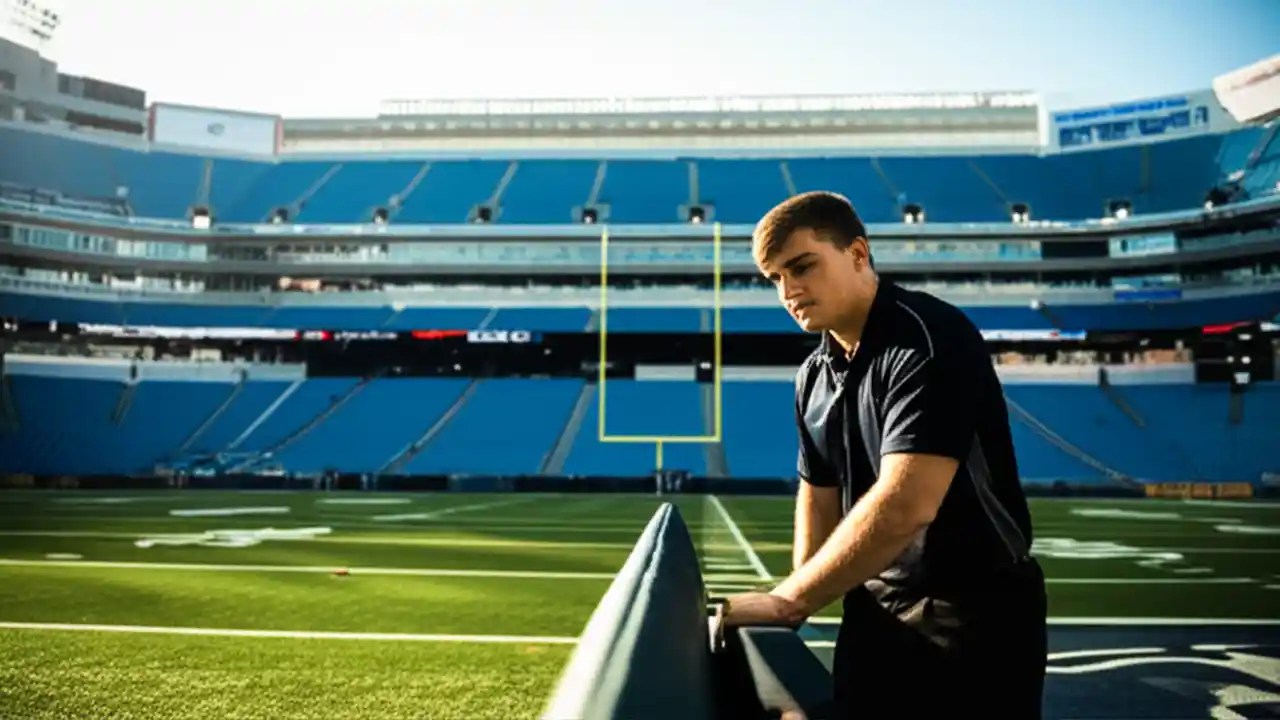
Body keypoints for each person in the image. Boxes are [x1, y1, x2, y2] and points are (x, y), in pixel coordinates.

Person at [720, 191, 1047, 718]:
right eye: (775, 278)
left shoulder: (930, 338)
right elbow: (818, 495)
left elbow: (906, 504)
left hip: (971, 607)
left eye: (802, 266)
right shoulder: (813, 375)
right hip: (872, 604)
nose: (788, 290)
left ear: (857, 254)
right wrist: (797, 596)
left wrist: (790, 601)